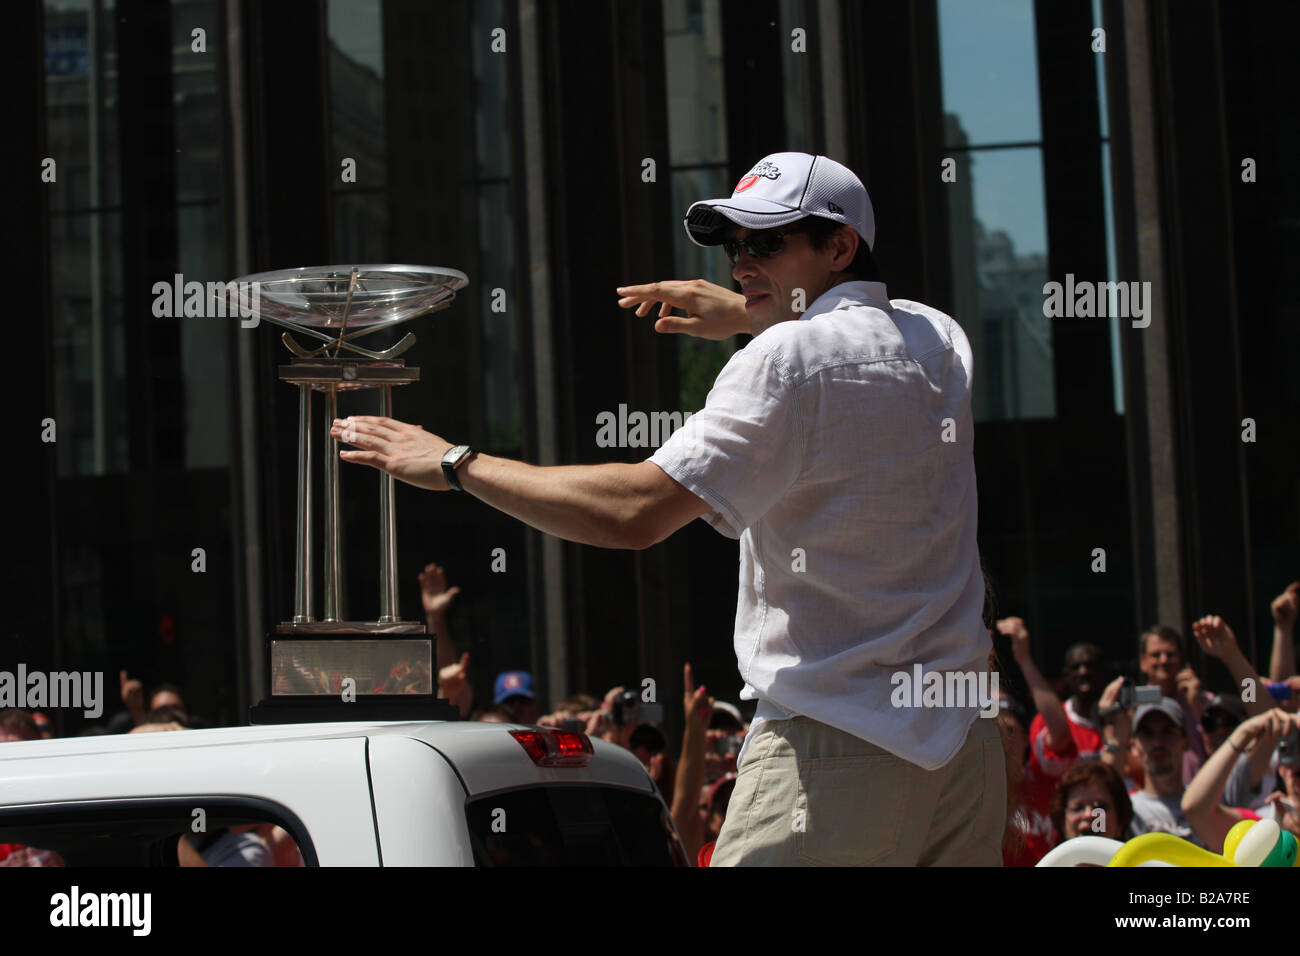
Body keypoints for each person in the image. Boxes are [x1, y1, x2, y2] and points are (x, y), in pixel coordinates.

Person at [331, 151, 1003, 866]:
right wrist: (757, 315)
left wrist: (455, 464)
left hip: (835, 749)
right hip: (965, 754)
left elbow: (635, 511)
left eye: (767, 242)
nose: (741, 263)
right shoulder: (939, 341)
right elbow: (856, 354)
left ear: (838, 246)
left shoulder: (785, 361)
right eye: (734, 245)